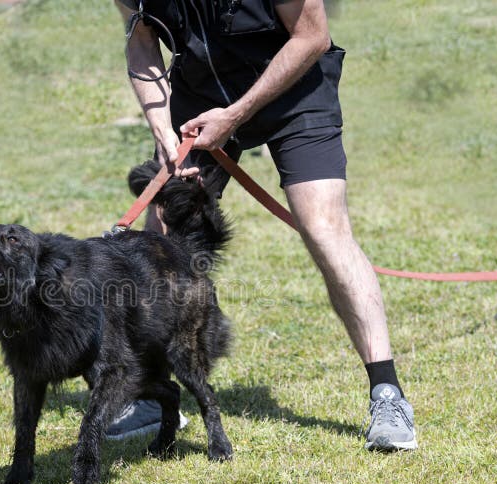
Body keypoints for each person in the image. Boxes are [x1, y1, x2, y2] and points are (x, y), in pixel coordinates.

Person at [106, 0, 416, 451]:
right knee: (160, 245)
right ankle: (152, 392)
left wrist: (235, 115)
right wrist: (163, 134)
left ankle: (387, 395)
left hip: (295, 91)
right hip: (201, 95)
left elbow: (312, 36)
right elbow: (141, 43)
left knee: (324, 227)